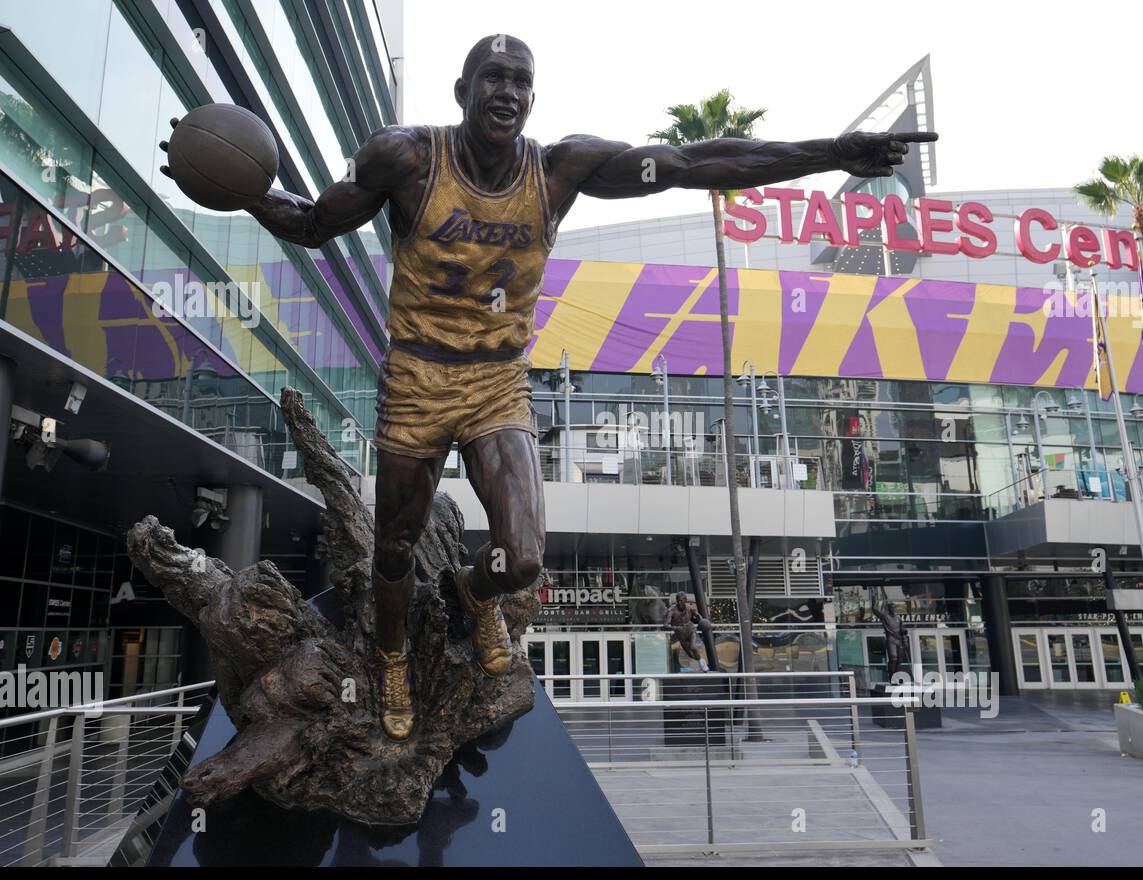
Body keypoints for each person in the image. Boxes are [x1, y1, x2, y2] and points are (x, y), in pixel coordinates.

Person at [168, 35, 933, 739]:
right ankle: (392, 660)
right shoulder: (403, 159)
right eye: (494, 77)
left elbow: (694, 162)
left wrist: (834, 151)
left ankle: (474, 595)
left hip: (497, 381)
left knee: (523, 559)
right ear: (463, 88)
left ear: (532, 99)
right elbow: (309, 223)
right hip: (417, 376)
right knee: (394, 548)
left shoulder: (560, 168)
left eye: (522, 82)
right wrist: (236, 188)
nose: (508, 91)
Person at [667, 592, 709, 672]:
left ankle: (702, 665)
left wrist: (702, 620)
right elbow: (666, 624)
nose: (680, 602)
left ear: (685, 600)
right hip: (681, 634)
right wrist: (675, 627)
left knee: (693, 647)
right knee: (690, 654)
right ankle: (700, 660)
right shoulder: (672, 610)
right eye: (678, 601)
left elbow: (698, 615)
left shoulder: (689, 608)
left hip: (690, 630)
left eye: (681, 600)